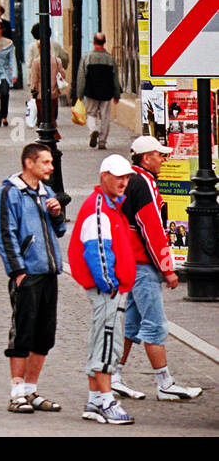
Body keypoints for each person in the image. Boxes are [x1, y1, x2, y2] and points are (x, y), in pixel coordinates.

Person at [110, 136, 203, 402]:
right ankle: (164, 383)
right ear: (145, 157)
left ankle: (115, 375)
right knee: (155, 323)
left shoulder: (130, 180)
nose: (164, 159)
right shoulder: (144, 183)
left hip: (130, 261)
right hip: (142, 263)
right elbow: (150, 227)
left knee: (131, 323)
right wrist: (167, 268)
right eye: (159, 155)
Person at [0, 143, 66, 413]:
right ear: (29, 163)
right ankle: (16, 392)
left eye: (50, 162)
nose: (51, 167)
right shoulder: (10, 193)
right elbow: (4, 233)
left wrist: (57, 215)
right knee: (22, 333)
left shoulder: (46, 191)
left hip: (48, 271)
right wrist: (18, 271)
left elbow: (58, 231)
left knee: (44, 335)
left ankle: (31, 390)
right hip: (28, 273)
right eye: (46, 162)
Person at [69, 155, 138, 425]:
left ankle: (96, 399)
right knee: (108, 342)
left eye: (126, 177)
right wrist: (109, 284)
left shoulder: (108, 206)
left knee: (101, 338)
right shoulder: (100, 210)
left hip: (108, 288)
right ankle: (106, 400)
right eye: (118, 176)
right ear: (104, 176)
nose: (124, 182)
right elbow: (98, 253)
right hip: (108, 290)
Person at [77, 32, 122, 150]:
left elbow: (81, 76)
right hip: (107, 92)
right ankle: (102, 141)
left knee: (90, 113)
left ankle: (93, 129)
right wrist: (117, 94)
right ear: (104, 42)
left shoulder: (87, 57)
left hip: (91, 91)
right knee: (105, 116)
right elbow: (115, 78)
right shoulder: (110, 58)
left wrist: (79, 94)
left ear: (93, 42)